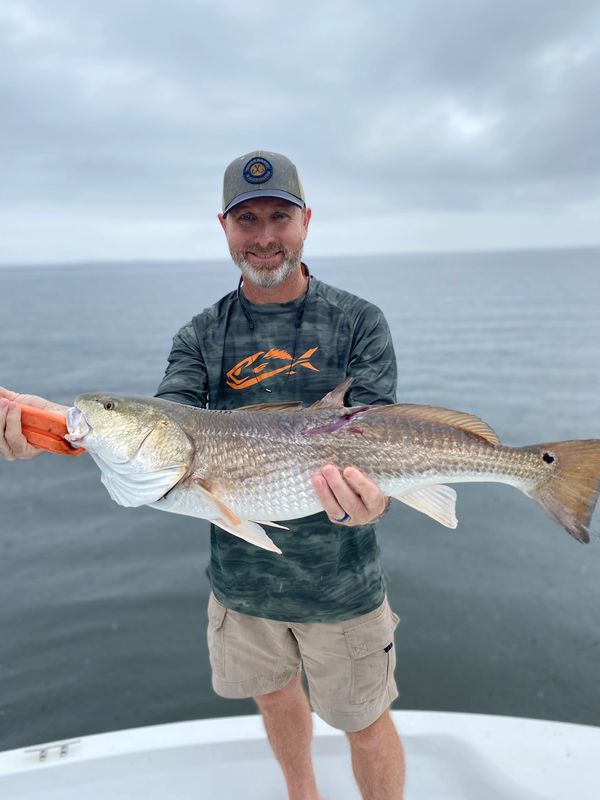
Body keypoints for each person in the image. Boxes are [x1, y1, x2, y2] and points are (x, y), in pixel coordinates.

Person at [0, 151, 405, 800]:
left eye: (280, 216)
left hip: (343, 586)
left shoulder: (358, 322)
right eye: (248, 219)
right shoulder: (200, 335)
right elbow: (166, 431)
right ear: (224, 226)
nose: (265, 235)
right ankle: (303, 795)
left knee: (364, 724)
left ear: (306, 222)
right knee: (274, 702)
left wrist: (373, 503)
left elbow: (381, 440)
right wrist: (53, 433)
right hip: (241, 585)